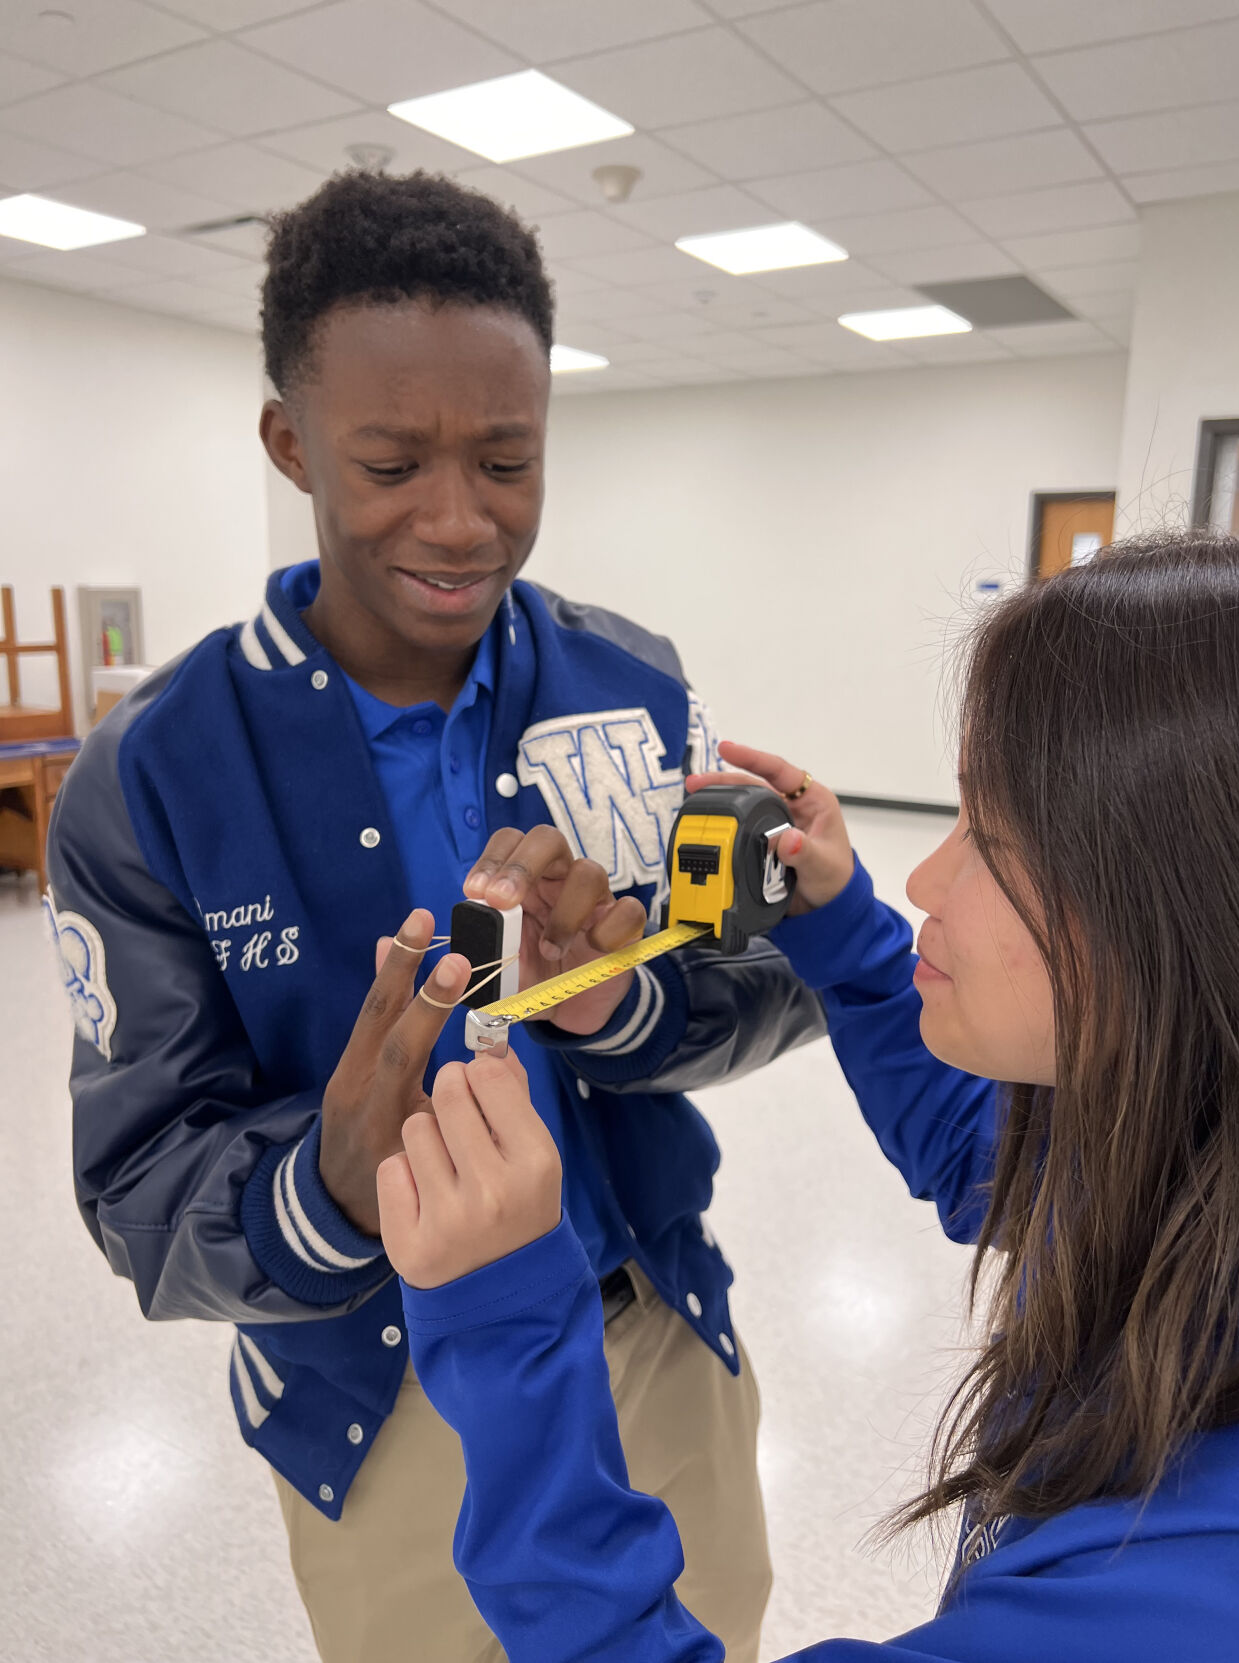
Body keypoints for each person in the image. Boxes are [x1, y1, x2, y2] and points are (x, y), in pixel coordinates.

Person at [44, 169, 828, 1663]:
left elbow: (769, 975)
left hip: (644, 1336)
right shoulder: (152, 773)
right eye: (392, 462)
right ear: (291, 444)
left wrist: (623, 1005)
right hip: (375, 1397)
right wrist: (332, 1183)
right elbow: (139, 1186)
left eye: (507, 461)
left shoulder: (633, 686)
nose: (461, 522)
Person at [379, 535, 1239, 1663]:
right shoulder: (1182, 1147)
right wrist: (835, 919)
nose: (924, 878)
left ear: (1188, 904)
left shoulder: (1186, 1589)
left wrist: (504, 1327)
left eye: (994, 838)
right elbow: (981, 1156)